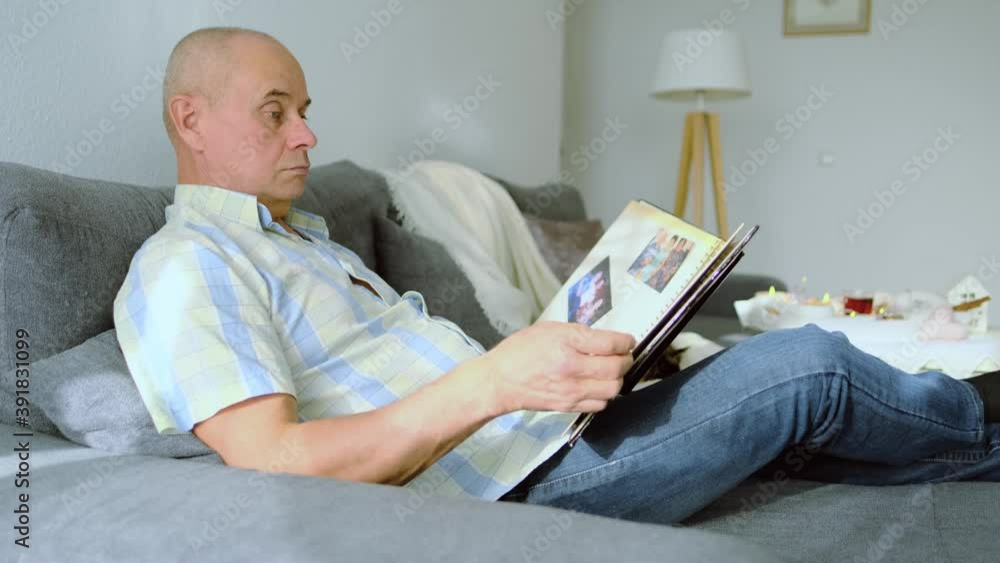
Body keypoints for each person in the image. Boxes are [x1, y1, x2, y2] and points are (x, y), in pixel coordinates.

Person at [113, 26, 1000, 526]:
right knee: (808, 364)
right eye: (276, 112)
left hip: (542, 434)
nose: (307, 134)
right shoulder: (186, 263)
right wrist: (495, 380)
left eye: (304, 111)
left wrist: (591, 354)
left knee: (801, 428)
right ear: (190, 120)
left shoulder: (306, 240)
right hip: (509, 488)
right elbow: (273, 462)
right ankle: (980, 403)